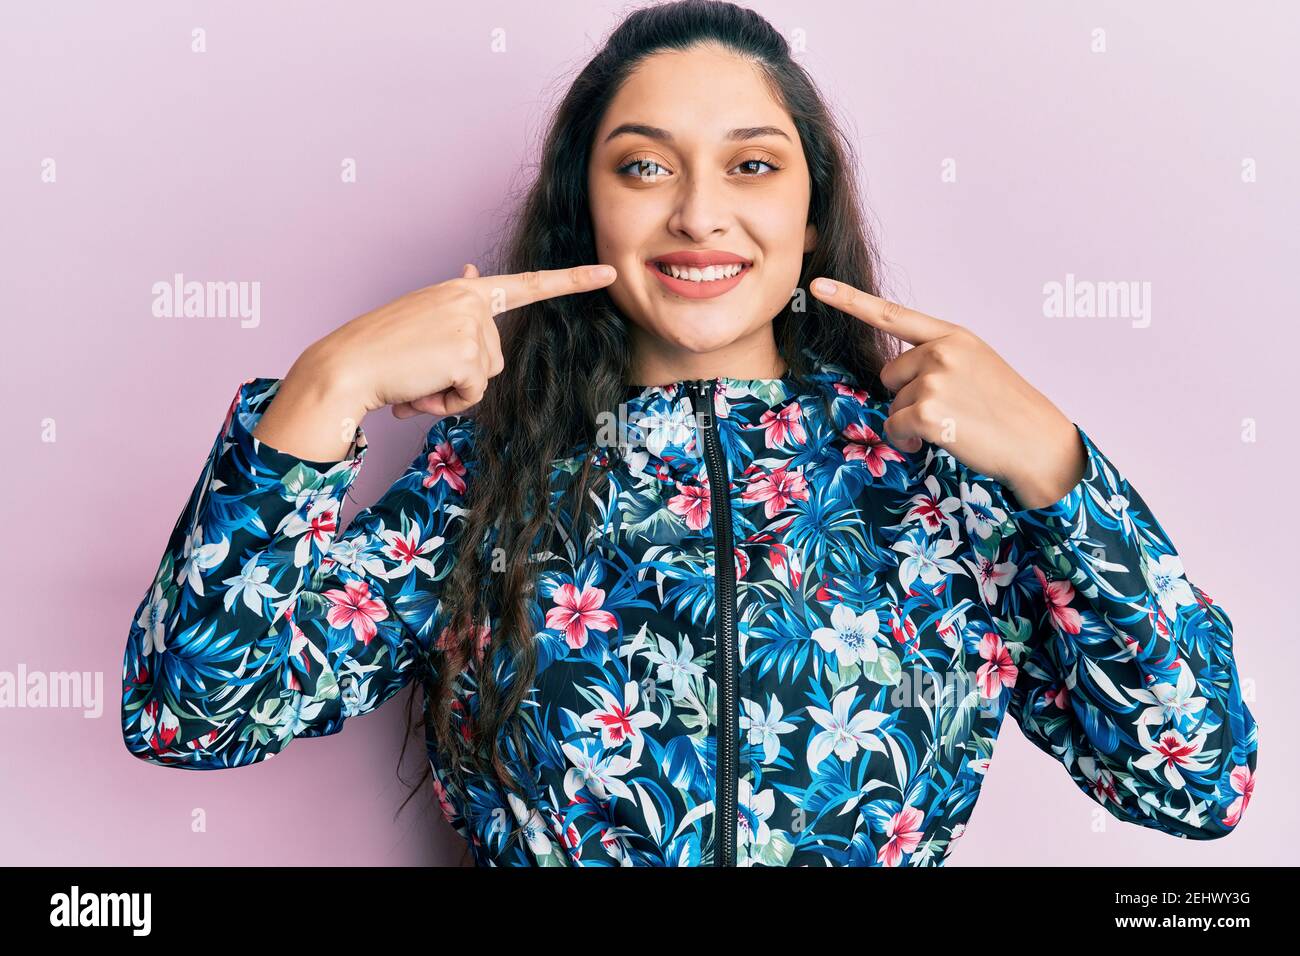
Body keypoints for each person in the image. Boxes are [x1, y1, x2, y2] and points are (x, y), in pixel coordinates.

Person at [120, 0, 1258, 866]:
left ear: (811, 212)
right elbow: (188, 713)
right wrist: (329, 384)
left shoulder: (935, 481)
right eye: (644, 165)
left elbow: (1198, 777)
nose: (699, 212)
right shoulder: (489, 477)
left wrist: (1059, 468)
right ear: (589, 206)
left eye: (752, 165)